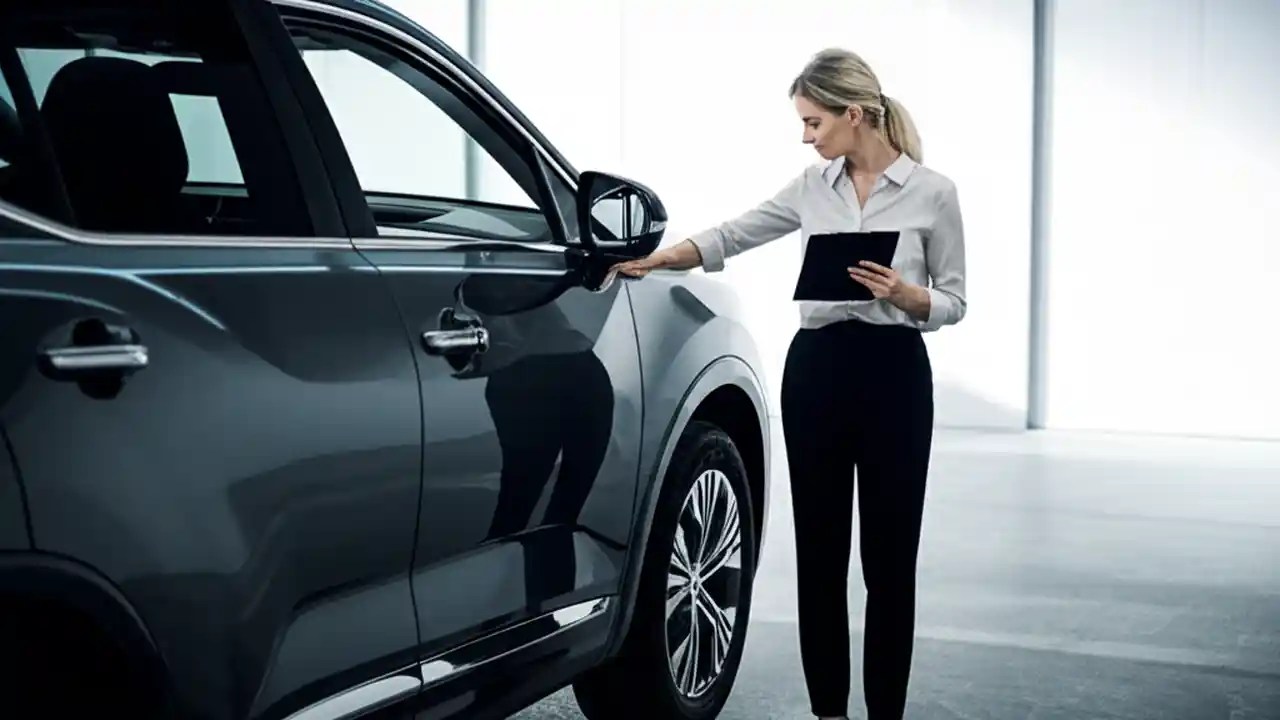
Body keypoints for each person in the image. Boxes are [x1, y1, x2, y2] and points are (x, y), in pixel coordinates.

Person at [612, 48, 967, 720]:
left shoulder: (934, 192)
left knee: (890, 566)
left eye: (814, 122)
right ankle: (829, 712)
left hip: (895, 377)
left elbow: (955, 300)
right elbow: (737, 233)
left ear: (853, 114)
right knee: (821, 557)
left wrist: (909, 296)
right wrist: (661, 259)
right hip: (817, 373)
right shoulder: (812, 186)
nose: (806, 136)